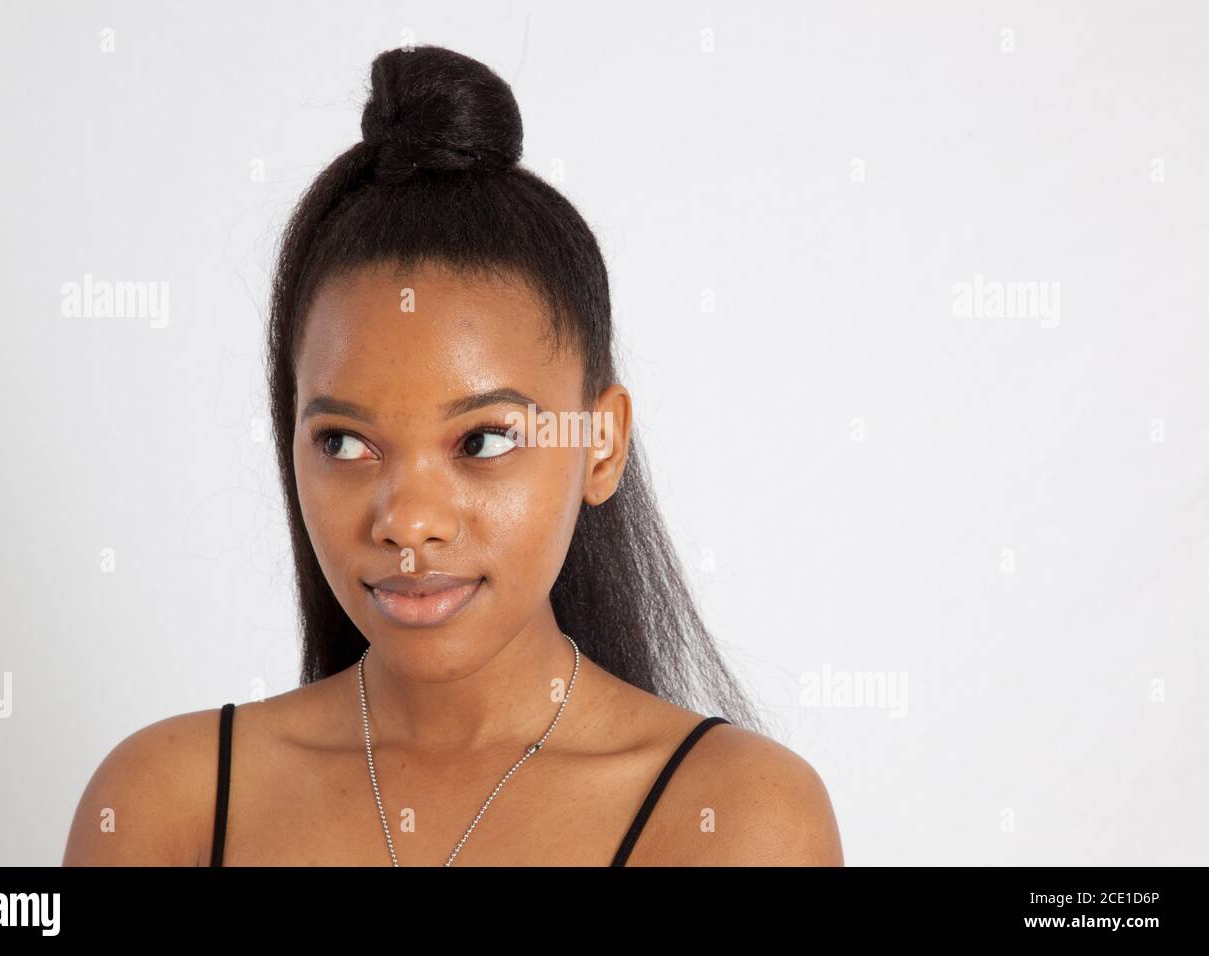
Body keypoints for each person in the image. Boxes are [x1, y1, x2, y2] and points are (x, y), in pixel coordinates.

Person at [63, 44, 843, 867]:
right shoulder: (167, 804)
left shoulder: (733, 817)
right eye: (345, 442)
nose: (409, 521)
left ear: (601, 444)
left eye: (484, 440)